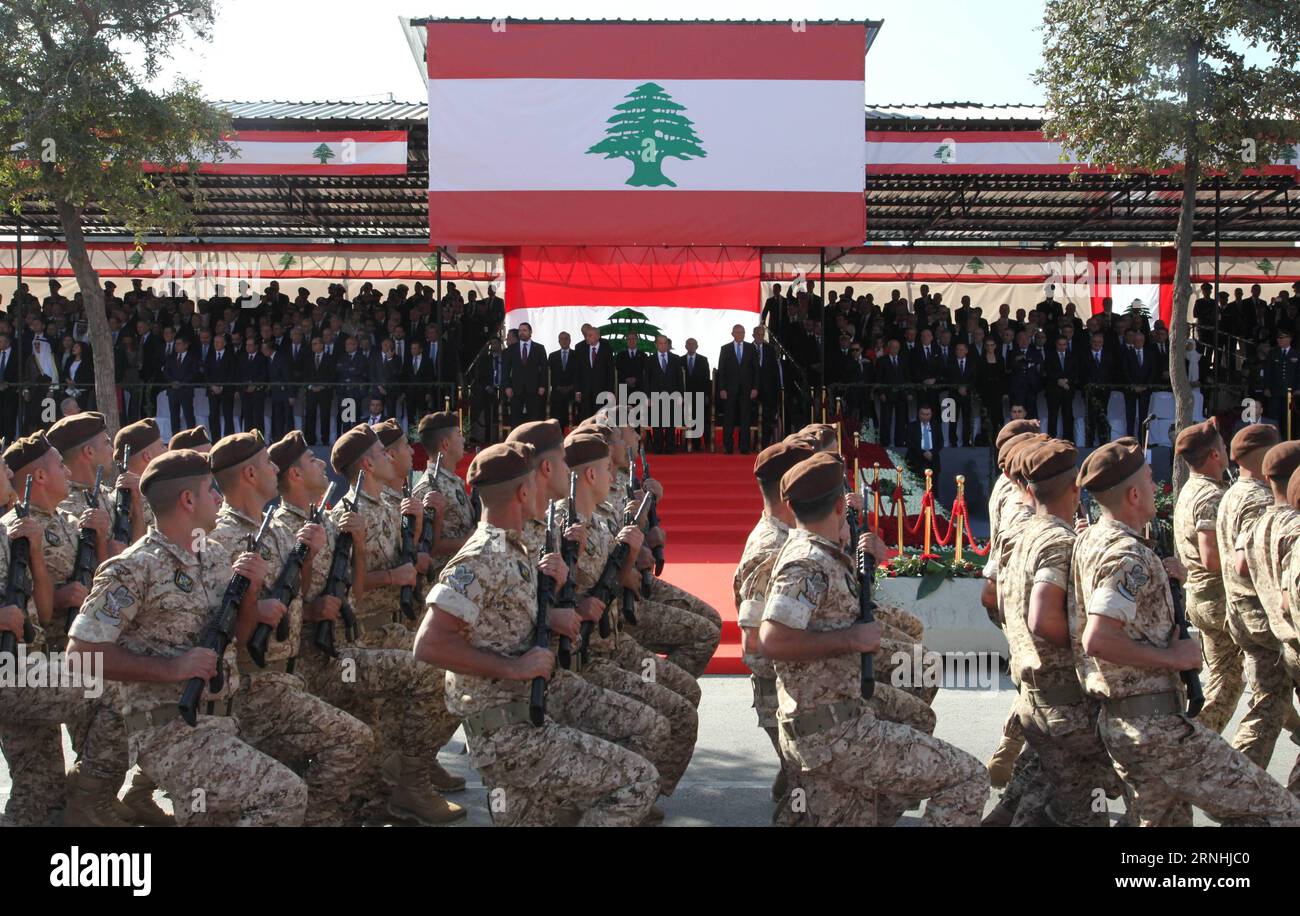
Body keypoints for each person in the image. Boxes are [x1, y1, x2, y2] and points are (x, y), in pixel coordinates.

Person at [414, 441, 660, 825]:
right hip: (506, 732)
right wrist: (515, 668)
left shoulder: (512, 548)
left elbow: (505, 623)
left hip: (526, 711)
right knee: (638, 781)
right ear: (524, 491)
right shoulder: (480, 557)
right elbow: (428, 644)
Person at [65, 448, 309, 826]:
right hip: (169, 731)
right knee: (284, 793)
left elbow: (241, 640)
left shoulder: (212, 556)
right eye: (211, 489)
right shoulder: (133, 568)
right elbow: (79, 656)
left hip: (222, 723)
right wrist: (173, 668)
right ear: (188, 499)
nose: (218, 498)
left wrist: (250, 592)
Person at [1071, 438, 1300, 825]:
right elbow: (1099, 638)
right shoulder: (1128, 554)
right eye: (1148, 479)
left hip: (1127, 722)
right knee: (1281, 812)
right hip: (1156, 728)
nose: (1154, 484)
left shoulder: (1093, 538)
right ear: (1132, 494)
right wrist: (1172, 657)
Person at [758, 452, 989, 825]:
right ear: (838, 504)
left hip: (830, 722)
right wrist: (852, 639)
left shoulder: (819, 552)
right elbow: (772, 640)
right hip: (836, 732)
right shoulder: (806, 562)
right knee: (968, 777)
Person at [999, 439, 1120, 826]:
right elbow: (1041, 617)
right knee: (1148, 761)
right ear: (1075, 489)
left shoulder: (1026, 535)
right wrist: (1087, 643)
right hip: (1067, 706)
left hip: (1037, 699)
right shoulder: (1058, 541)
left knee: (1053, 797)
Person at [1216, 424, 1300, 770]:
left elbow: (1240, 558)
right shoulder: (1264, 504)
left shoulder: (1244, 499)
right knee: (1268, 705)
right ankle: (1241, 787)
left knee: (1269, 702)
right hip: (1267, 622)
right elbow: (1243, 565)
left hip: (1250, 617)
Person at [716, 325, 757, 454]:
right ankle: (728, 447)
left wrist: (755, 387)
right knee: (729, 419)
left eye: (743, 332)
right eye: (738, 332)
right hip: (729, 389)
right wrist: (722, 388)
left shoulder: (751, 348)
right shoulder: (725, 349)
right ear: (732, 333)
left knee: (745, 418)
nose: (740, 334)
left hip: (746, 389)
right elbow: (721, 370)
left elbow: (756, 370)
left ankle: (744, 447)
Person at [503, 322, 547, 427]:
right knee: (515, 419)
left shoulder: (539, 348)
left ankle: (534, 441)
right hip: (516, 389)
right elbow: (505, 370)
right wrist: (507, 386)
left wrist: (542, 385)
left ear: (530, 332)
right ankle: (514, 441)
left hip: (534, 389)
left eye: (524, 330)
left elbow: (544, 369)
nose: (521, 333)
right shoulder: (511, 349)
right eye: (520, 330)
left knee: (534, 419)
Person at [644, 335, 681, 453]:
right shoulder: (650, 360)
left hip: (672, 396)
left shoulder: (676, 359)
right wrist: (648, 397)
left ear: (668, 345)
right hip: (655, 396)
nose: (663, 345)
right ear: (656, 344)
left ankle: (670, 448)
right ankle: (658, 448)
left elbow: (679, 379)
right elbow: (647, 380)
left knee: (671, 423)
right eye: (660, 343)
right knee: (657, 424)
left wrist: (680, 396)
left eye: (665, 343)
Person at [547, 331, 578, 426]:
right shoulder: (552, 356)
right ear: (559, 341)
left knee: (573, 416)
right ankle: (557, 436)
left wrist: (571, 387)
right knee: (556, 416)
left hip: (572, 391)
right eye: (561, 339)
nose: (564, 341)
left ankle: (570, 437)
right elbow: (549, 375)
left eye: (566, 339)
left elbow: (578, 374)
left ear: (570, 340)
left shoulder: (577, 355)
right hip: (557, 391)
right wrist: (557, 387)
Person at [905, 404, 942, 478]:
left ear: (931, 415)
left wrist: (931, 453)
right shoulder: (911, 426)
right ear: (919, 414)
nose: (925, 417)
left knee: (933, 488)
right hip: (915, 460)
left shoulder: (936, 426)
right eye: (923, 414)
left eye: (927, 414)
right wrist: (923, 453)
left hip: (932, 461)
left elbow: (940, 442)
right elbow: (909, 443)